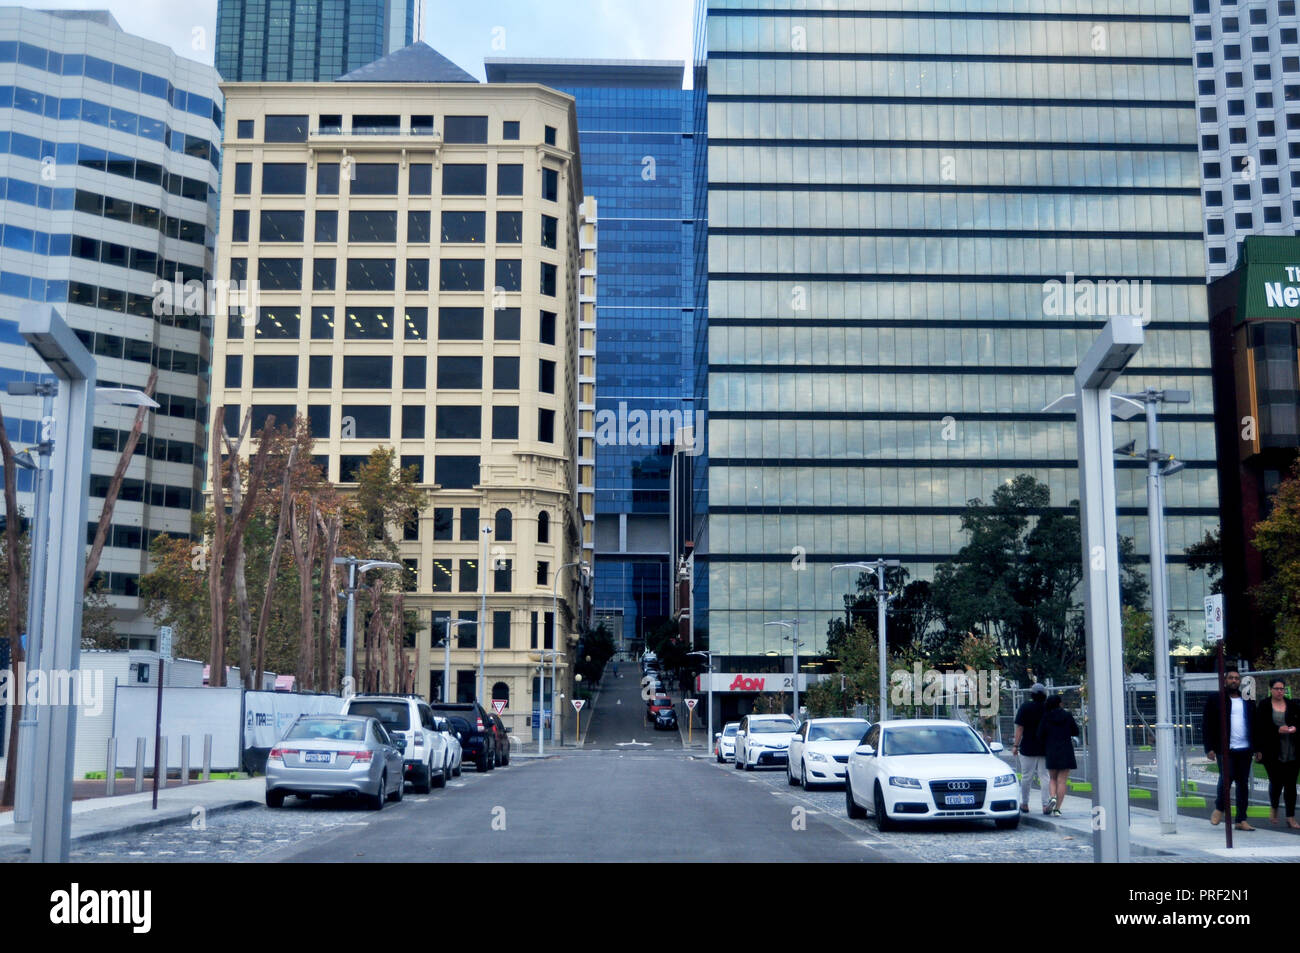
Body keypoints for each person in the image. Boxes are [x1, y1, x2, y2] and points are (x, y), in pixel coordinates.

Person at [1202, 666, 1257, 831]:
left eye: (1237, 678)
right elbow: (1207, 725)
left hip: (1245, 749)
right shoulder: (1215, 699)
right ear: (1225, 680)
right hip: (1224, 748)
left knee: (1243, 784)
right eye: (1231, 678)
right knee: (1226, 778)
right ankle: (1220, 807)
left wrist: (1257, 748)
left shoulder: (1247, 700)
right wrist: (1209, 748)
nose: (1234, 680)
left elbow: (1255, 724)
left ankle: (1241, 819)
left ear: (1240, 682)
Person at [1253, 676, 1300, 828]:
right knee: (1276, 781)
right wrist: (1277, 730)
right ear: (1271, 689)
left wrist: (1294, 728)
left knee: (1291, 784)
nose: (1280, 691)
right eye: (1277, 689)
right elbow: (1260, 727)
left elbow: (1298, 721)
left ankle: (1290, 816)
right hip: (1272, 750)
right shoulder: (1265, 705)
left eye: (1282, 689)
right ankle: (1274, 806)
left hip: (1291, 749)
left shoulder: (1291, 704)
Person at [1037, 694, 1079, 816]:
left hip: (1051, 750)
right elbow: (1075, 731)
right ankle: (1057, 809)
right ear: (1060, 703)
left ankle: (1052, 797)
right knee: (1062, 781)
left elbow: (1040, 734)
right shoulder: (1067, 715)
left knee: (1053, 778)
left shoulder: (1046, 717)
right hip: (1066, 750)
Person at [1012, 684, 1051, 814]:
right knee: (1045, 777)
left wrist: (1015, 745)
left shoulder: (1025, 707)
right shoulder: (1049, 708)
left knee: (1026, 777)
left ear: (1031, 694)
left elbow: (1020, 728)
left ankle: (1025, 803)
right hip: (1045, 747)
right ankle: (1046, 805)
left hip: (1028, 746)